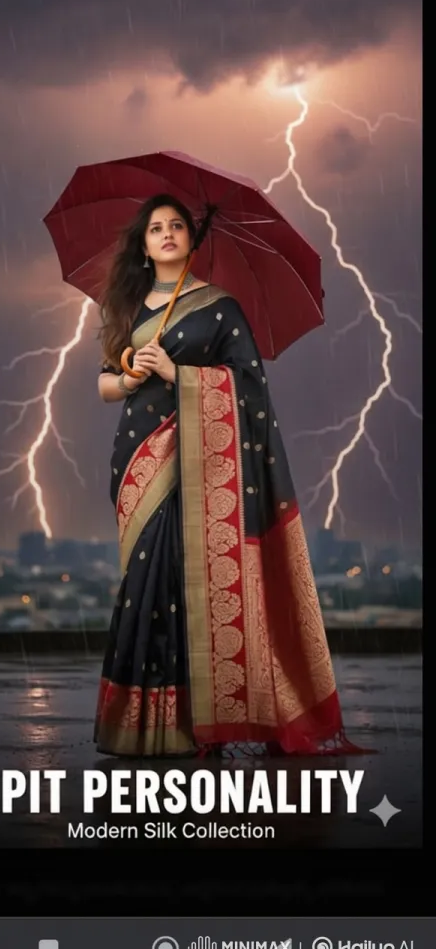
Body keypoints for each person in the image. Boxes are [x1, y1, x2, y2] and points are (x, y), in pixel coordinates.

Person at [94, 193, 362, 758]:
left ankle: (188, 725)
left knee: (178, 583)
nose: (166, 234)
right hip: (135, 458)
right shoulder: (128, 305)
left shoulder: (221, 308)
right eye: (155, 228)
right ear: (142, 245)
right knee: (141, 583)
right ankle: (140, 725)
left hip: (195, 462)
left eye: (176, 227)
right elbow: (104, 384)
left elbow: (249, 386)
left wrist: (179, 372)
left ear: (192, 240)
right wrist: (132, 376)